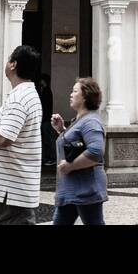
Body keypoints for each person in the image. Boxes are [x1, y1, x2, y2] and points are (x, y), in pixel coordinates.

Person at [0, 45, 43, 224]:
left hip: (9, 190)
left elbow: (3, 139)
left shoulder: (19, 98)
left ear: (13, 64)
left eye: (8, 59)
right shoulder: (26, 95)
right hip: (3, 188)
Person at [50, 77, 107, 225]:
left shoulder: (91, 121)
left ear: (85, 96)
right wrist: (61, 130)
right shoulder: (79, 121)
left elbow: (95, 152)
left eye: (75, 91)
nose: (70, 94)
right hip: (72, 191)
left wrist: (70, 166)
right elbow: (77, 145)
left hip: (85, 191)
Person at [38, 73, 56, 168]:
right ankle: (49, 158)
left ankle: (52, 158)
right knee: (47, 139)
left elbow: (45, 107)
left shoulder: (46, 91)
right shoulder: (46, 91)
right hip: (45, 119)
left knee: (48, 140)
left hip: (45, 119)